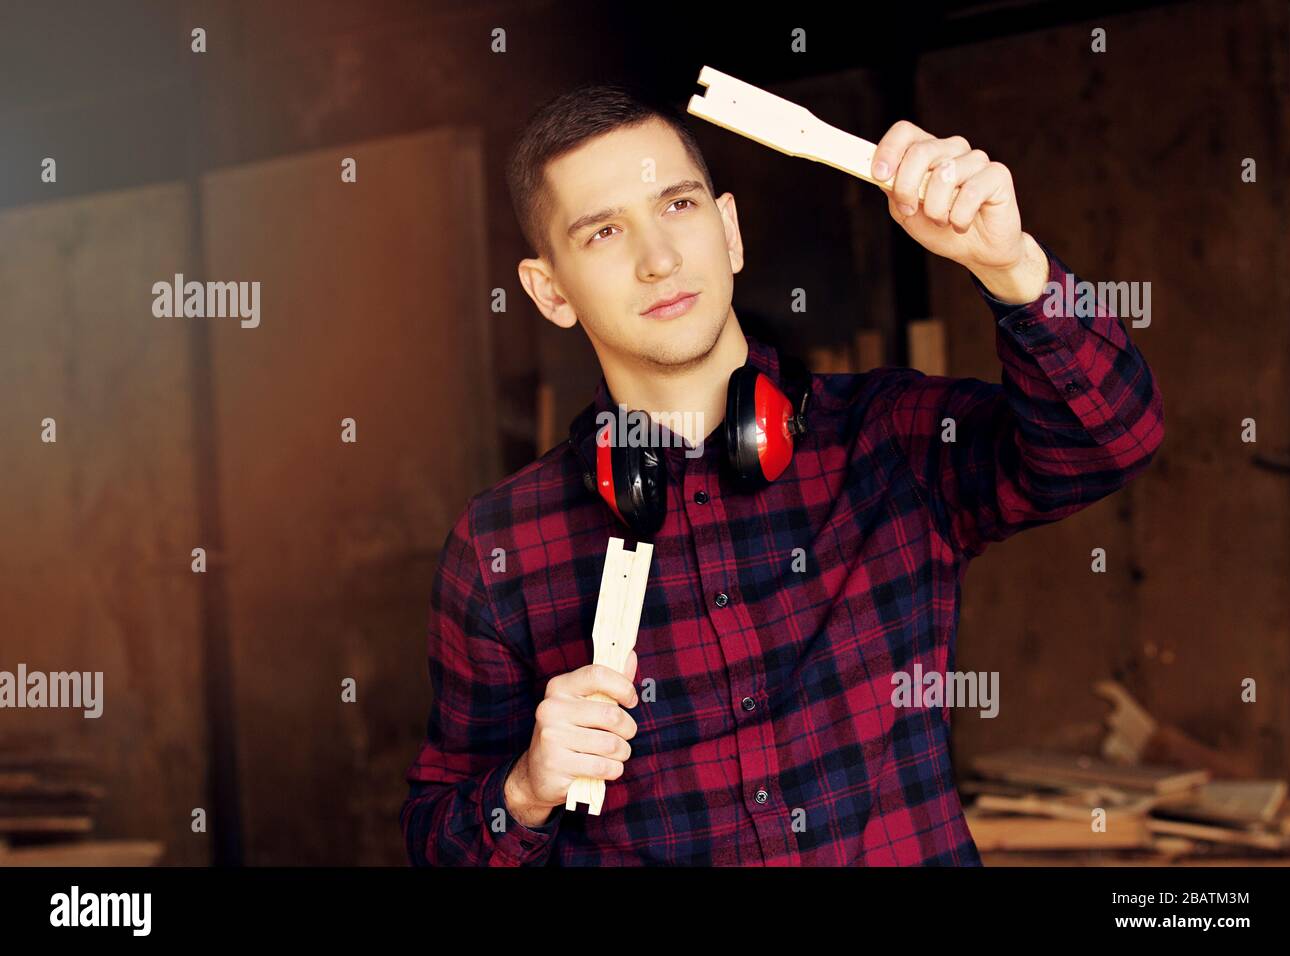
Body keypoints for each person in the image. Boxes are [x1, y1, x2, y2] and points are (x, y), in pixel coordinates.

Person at [399, 83, 1164, 865]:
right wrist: (524, 791)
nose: (658, 259)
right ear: (550, 290)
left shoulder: (890, 438)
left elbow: (1111, 439)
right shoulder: (500, 547)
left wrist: (1009, 265)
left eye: (678, 206)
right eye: (602, 232)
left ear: (729, 231)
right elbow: (439, 839)